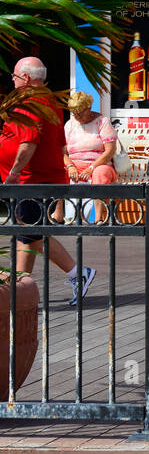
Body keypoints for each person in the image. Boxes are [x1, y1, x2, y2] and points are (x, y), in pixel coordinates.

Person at [0, 56, 96, 305]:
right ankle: (20, 287)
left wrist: (13, 174)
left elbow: (28, 143)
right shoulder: (50, 101)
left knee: (33, 230)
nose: (12, 79)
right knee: (27, 232)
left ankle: (78, 273)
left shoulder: (30, 103)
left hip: (32, 179)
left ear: (26, 78)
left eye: (15, 75)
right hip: (46, 176)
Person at [62, 90, 117, 225]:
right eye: (74, 113)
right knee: (57, 170)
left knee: (100, 173)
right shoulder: (69, 124)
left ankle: (99, 218)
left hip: (98, 163)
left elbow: (110, 151)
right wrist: (70, 166)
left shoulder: (102, 122)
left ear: (89, 108)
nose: (77, 116)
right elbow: (63, 152)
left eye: (80, 112)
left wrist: (92, 168)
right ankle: (59, 215)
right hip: (75, 164)